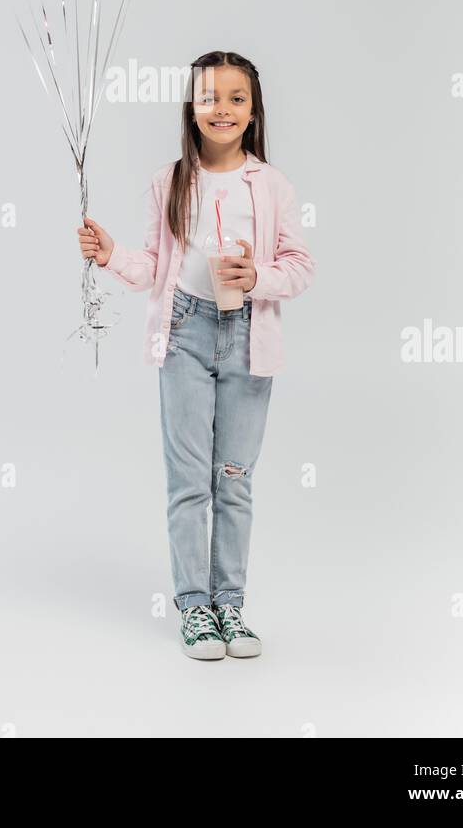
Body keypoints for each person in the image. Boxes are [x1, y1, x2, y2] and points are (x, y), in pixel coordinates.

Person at [76, 51, 315, 660]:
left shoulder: (272, 185)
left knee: (233, 478)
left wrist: (257, 274)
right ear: (191, 107)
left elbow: (300, 266)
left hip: (247, 334)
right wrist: (109, 256)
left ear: (254, 110)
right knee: (189, 482)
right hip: (183, 332)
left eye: (237, 98)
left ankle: (229, 605)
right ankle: (194, 608)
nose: (223, 108)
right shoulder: (171, 180)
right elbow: (156, 268)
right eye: (210, 97)